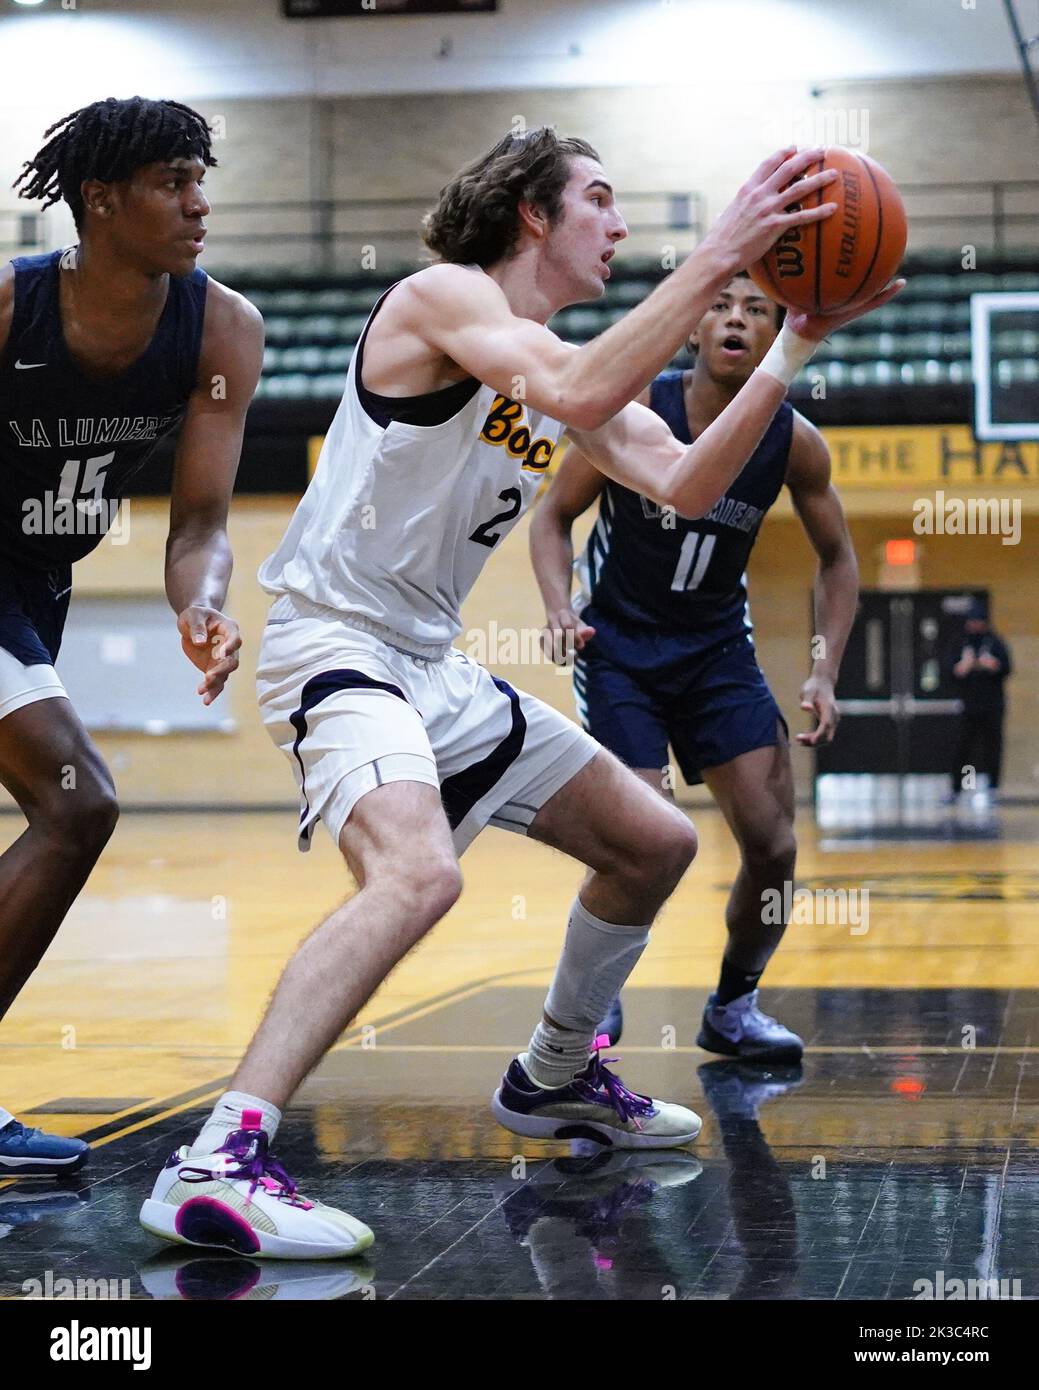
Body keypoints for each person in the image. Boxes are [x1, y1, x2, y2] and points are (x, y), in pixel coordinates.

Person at [140, 128, 900, 1260]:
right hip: (336, 640)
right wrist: (720, 248)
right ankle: (221, 1155)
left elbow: (687, 482)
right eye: (600, 198)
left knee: (652, 842)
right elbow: (584, 381)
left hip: (431, 663)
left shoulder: (558, 364)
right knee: (417, 873)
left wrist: (791, 342)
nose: (620, 223)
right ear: (532, 215)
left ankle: (553, 1078)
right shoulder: (441, 299)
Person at [0, 97, 263, 1176]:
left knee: (69, 810)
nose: (199, 203)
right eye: (171, 181)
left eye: (203, 178)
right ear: (101, 199)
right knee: (81, 801)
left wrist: (199, 603)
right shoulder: (10, 307)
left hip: (34, 588)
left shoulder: (219, 329)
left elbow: (199, 521)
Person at [530, 271, 859, 1059]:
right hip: (621, 655)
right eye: (720, 305)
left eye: (757, 309)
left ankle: (734, 1008)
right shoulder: (641, 410)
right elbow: (551, 515)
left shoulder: (791, 439)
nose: (736, 319)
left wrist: (823, 670)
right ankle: (590, 1004)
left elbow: (838, 559)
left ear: (779, 332)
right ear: (692, 329)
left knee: (774, 845)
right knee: (641, 842)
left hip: (715, 653)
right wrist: (557, 605)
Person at [948, 600, 1012, 802]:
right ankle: (960, 787)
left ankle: (992, 787)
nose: (975, 626)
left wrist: (993, 665)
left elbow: (1007, 668)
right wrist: (963, 666)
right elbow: (950, 671)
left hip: (992, 706)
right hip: (969, 706)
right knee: (964, 747)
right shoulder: (961, 642)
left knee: (992, 747)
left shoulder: (995, 642)